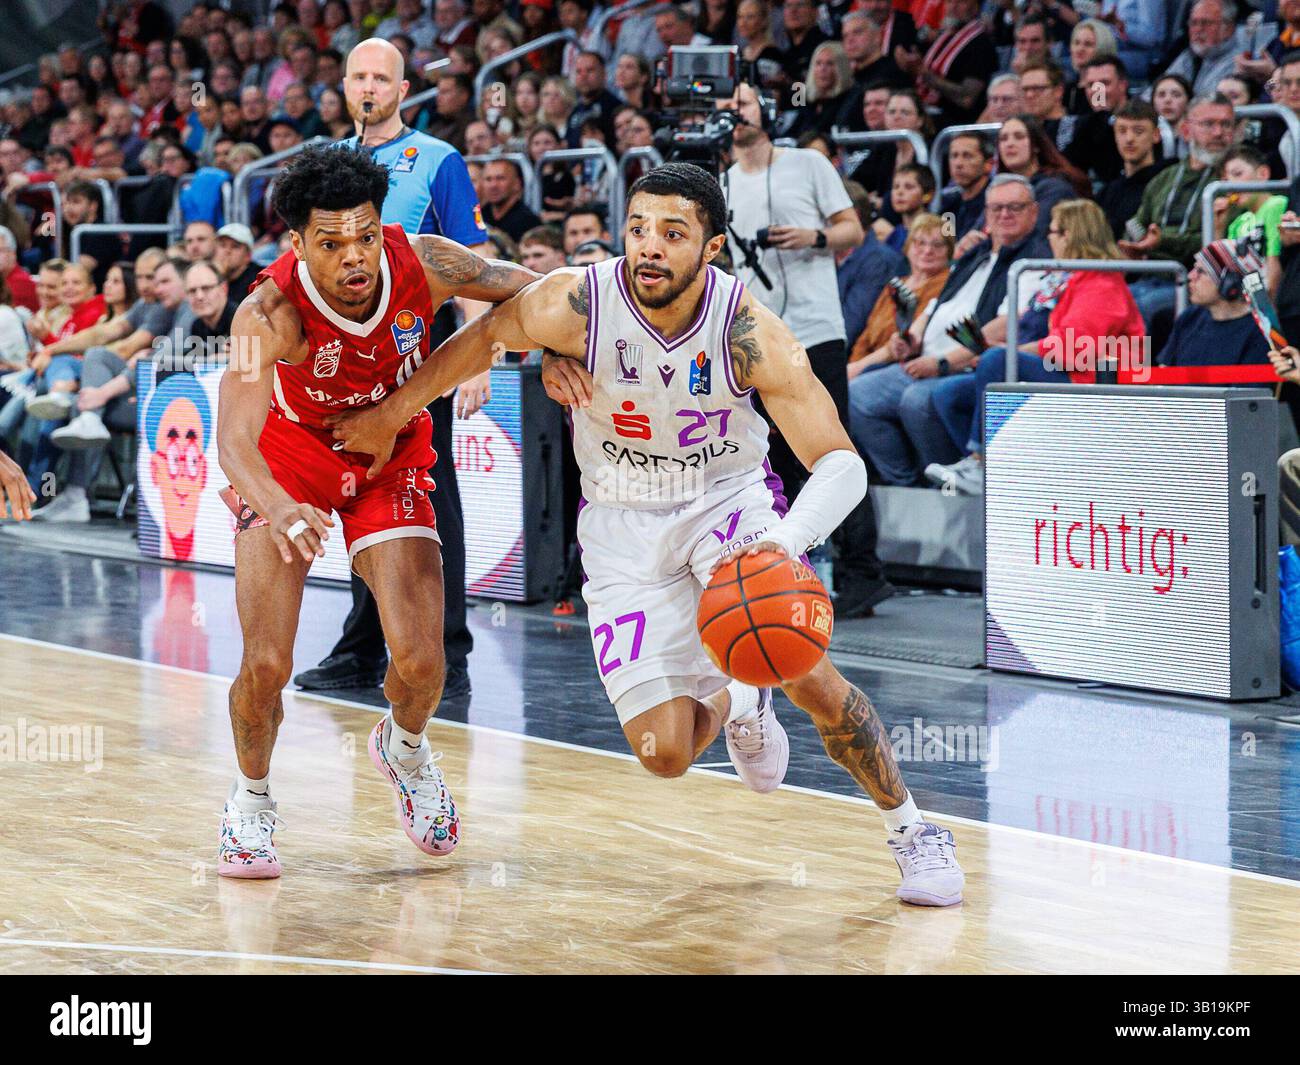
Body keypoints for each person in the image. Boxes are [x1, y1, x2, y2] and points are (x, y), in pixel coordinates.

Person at [324, 161, 965, 907]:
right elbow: (488, 330)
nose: (649, 247)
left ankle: (913, 829)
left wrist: (780, 548)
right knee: (664, 754)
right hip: (621, 521)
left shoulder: (749, 330)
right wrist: (391, 411)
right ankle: (737, 697)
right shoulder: (581, 302)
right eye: (637, 228)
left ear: (713, 247)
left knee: (810, 676)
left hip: (725, 501)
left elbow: (843, 467)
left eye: (672, 233)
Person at [215, 145, 537, 878]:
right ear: (296, 244)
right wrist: (279, 506)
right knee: (266, 662)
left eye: (364, 235)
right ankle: (251, 799)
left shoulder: (424, 260)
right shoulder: (263, 314)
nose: (355, 257)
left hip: (388, 458)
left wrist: (565, 345)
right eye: (331, 243)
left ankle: (406, 750)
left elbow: (530, 292)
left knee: (424, 662)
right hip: (289, 464)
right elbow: (234, 444)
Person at [296, 37, 496, 698]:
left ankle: (449, 652)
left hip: (417, 356)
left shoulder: (438, 159)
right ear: (345, 86)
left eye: (382, 77)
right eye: (359, 77)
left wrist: (478, 361)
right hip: (344, 363)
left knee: (436, 500)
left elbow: (472, 262)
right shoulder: (327, 164)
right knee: (362, 499)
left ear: (404, 89)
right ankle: (361, 648)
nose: (369, 87)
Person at [722, 81, 892, 618]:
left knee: (831, 449)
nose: (734, 112)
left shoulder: (807, 165)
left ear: (768, 108)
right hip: (756, 336)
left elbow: (853, 230)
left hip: (815, 328)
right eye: (726, 106)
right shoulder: (721, 182)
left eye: (743, 102)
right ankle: (787, 564)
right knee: (770, 453)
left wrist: (811, 238)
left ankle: (864, 571)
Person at [925, 198, 1147, 495]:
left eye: (1053, 232)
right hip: (1066, 372)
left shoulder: (1101, 283)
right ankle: (995, 471)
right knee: (949, 394)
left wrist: (1008, 354)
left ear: (1071, 235)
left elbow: (1073, 350)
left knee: (996, 362)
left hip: (1092, 383)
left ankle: (982, 464)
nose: (1049, 239)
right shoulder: (1069, 278)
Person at [849, 174, 1051, 487]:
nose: (1004, 215)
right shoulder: (976, 253)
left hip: (964, 364)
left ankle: (947, 485)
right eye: (996, 208)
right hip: (925, 359)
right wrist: (911, 338)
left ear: (1034, 212)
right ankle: (906, 484)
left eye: (1015, 207)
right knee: (858, 395)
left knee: (917, 401)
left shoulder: (1033, 259)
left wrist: (945, 361)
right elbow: (935, 306)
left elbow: (1006, 325)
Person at [849, 212, 952, 376]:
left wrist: (855, 369)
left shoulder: (946, 283)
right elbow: (866, 337)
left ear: (949, 251)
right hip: (867, 365)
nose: (927, 250)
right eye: (920, 243)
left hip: (902, 365)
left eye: (937, 245)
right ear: (908, 247)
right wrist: (852, 366)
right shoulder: (896, 284)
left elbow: (906, 341)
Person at [1154, 239, 1272, 368]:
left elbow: (1250, 387)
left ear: (1230, 284)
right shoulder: (1189, 318)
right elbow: (1164, 373)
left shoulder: (1259, 333)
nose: (1190, 276)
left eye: (1201, 272)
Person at [1212, 144, 1287, 297]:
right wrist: (1218, 229)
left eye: (1237, 174)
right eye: (1226, 180)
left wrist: (1269, 307)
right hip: (1244, 298)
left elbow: (1274, 259)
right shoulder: (1238, 222)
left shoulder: (1275, 204)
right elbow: (1220, 272)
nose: (1231, 185)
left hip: (1267, 300)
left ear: (1263, 173)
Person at [1096, 99, 1171, 240]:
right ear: (1115, 136)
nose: (1129, 138)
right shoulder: (1107, 192)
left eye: (1138, 131)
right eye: (1122, 131)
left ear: (1156, 135)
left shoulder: (1167, 183)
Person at [1159, 0, 1242, 99]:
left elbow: (1207, 104)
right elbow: (1155, 94)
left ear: (1228, 28)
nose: (1198, 29)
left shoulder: (1239, 61)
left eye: (1206, 23)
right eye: (1193, 23)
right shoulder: (1188, 56)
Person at [214, 222, 262, 304]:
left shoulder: (258, 281)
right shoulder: (210, 276)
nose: (227, 251)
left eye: (235, 246)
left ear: (248, 255)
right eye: (222, 245)